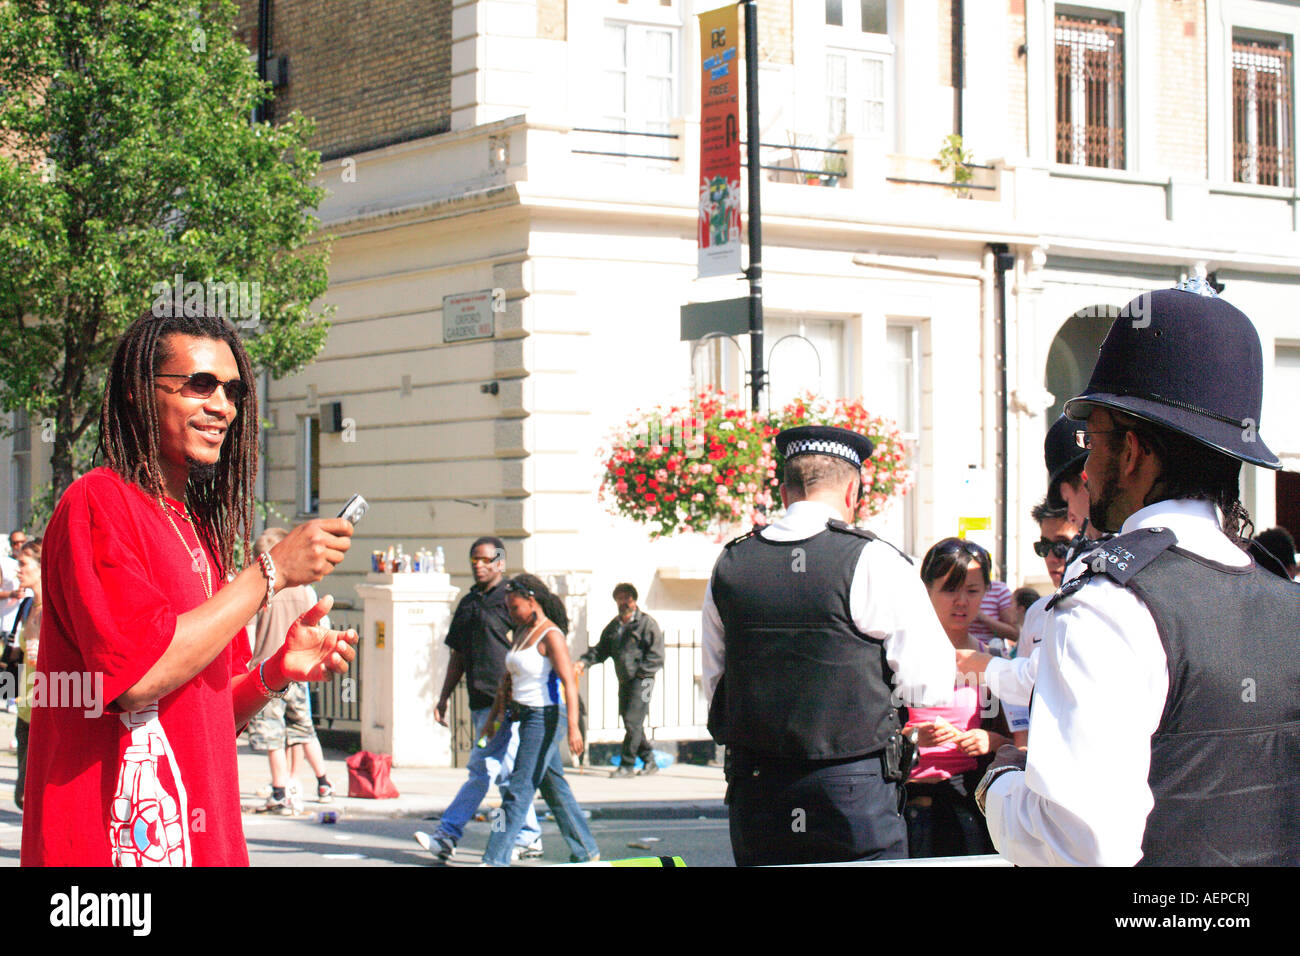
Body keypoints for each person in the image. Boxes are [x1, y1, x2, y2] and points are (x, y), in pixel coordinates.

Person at [976, 282, 1300, 866]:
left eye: (1093, 438)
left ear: (1130, 452)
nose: (1088, 466)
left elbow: (1078, 848)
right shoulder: (1285, 599)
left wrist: (997, 787)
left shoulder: (1110, 604)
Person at [21, 310, 358, 866]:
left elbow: (207, 717)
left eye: (231, 390)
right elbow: (140, 678)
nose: (222, 406)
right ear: (135, 393)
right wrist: (268, 572)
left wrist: (275, 672)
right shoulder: (97, 502)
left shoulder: (196, 528)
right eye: (199, 385)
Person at [702, 424, 956, 866]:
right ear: (853, 489)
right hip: (853, 788)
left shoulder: (731, 562)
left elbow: (716, 685)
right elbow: (927, 686)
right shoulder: (876, 560)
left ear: (784, 491)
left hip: (758, 787)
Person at [416, 537, 541, 862]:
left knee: (487, 771)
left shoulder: (512, 600)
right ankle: (528, 836)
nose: (478, 565)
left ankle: (448, 835)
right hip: (481, 701)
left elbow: (534, 639)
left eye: (485, 560)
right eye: (474, 560)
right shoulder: (470, 603)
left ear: (500, 562)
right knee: (497, 773)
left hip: (510, 703)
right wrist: (443, 696)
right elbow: (458, 653)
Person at [479, 573, 599, 866]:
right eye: (508, 608)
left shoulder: (551, 635)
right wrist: (493, 719)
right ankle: (586, 850)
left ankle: (494, 859)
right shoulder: (521, 633)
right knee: (553, 787)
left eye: (515, 607)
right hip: (522, 714)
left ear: (532, 601)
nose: (511, 613)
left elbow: (569, 682)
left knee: (517, 791)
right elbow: (508, 681)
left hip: (546, 718)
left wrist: (573, 728)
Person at [903, 538, 1012, 858]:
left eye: (973, 590)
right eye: (950, 589)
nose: (961, 601)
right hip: (908, 805)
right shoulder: (899, 656)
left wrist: (990, 740)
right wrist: (911, 738)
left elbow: (1020, 739)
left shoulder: (992, 658)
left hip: (969, 802)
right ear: (927, 590)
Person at [246, 527, 336, 814]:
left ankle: (280, 789)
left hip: (267, 669)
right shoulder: (305, 590)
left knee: (273, 734)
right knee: (302, 728)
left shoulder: (261, 591)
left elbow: (249, 634)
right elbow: (323, 625)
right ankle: (323, 781)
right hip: (297, 672)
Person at [574, 583, 664, 777]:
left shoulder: (647, 624)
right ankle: (649, 760)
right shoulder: (615, 626)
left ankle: (627, 765)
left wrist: (641, 674)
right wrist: (584, 662)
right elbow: (601, 650)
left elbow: (657, 656)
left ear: (634, 600)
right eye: (620, 598)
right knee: (631, 722)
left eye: (627, 598)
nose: (623, 602)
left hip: (644, 680)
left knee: (633, 721)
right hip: (625, 680)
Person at [6, 538, 41, 808]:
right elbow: (17, 657)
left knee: (29, 796)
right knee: (24, 797)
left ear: (41, 567)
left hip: (48, 711)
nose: (18, 569)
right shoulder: (26, 606)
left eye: (23, 563)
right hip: (24, 712)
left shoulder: (55, 609)